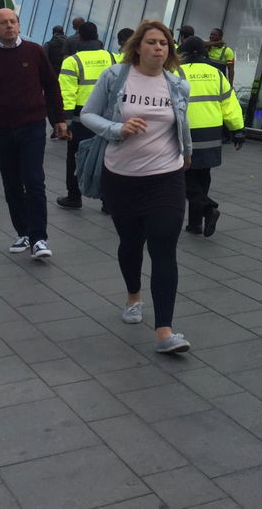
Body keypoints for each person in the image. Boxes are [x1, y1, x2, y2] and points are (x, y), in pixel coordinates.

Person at [81, 20, 193, 354]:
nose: (159, 48)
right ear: (138, 46)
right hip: (123, 177)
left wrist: (187, 153)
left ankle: (165, 331)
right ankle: (133, 295)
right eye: (153, 42)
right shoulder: (115, 77)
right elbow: (88, 115)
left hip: (167, 177)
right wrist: (117, 128)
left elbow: (182, 123)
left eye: (165, 44)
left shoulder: (177, 84)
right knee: (130, 243)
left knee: (163, 247)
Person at [0, 8, 69, 261]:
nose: (10, 26)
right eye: (3, 23)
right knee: (12, 182)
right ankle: (22, 232)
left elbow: (51, 85)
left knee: (34, 180)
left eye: (13, 22)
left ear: (19, 24)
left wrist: (58, 120)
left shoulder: (34, 51)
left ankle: (39, 238)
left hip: (33, 126)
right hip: (1, 130)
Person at [178, 36, 244, 237]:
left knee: (183, 177)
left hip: (185, 132)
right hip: (212, 133)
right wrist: (238, 129)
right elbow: (229, 104)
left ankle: (208, 209)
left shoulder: (176, 73)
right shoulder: (216, 74)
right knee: (203, 176)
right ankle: (195, 224)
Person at [56, 22, 116, 210]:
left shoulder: (73, 61)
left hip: (81, 118)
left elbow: (67, 93)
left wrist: (63, 122)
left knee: (75, 157)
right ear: (97, 35)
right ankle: (108, 201)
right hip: (108, 116)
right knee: (108, 157)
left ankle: (74, 196)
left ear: (79, 38)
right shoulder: (114, 58)